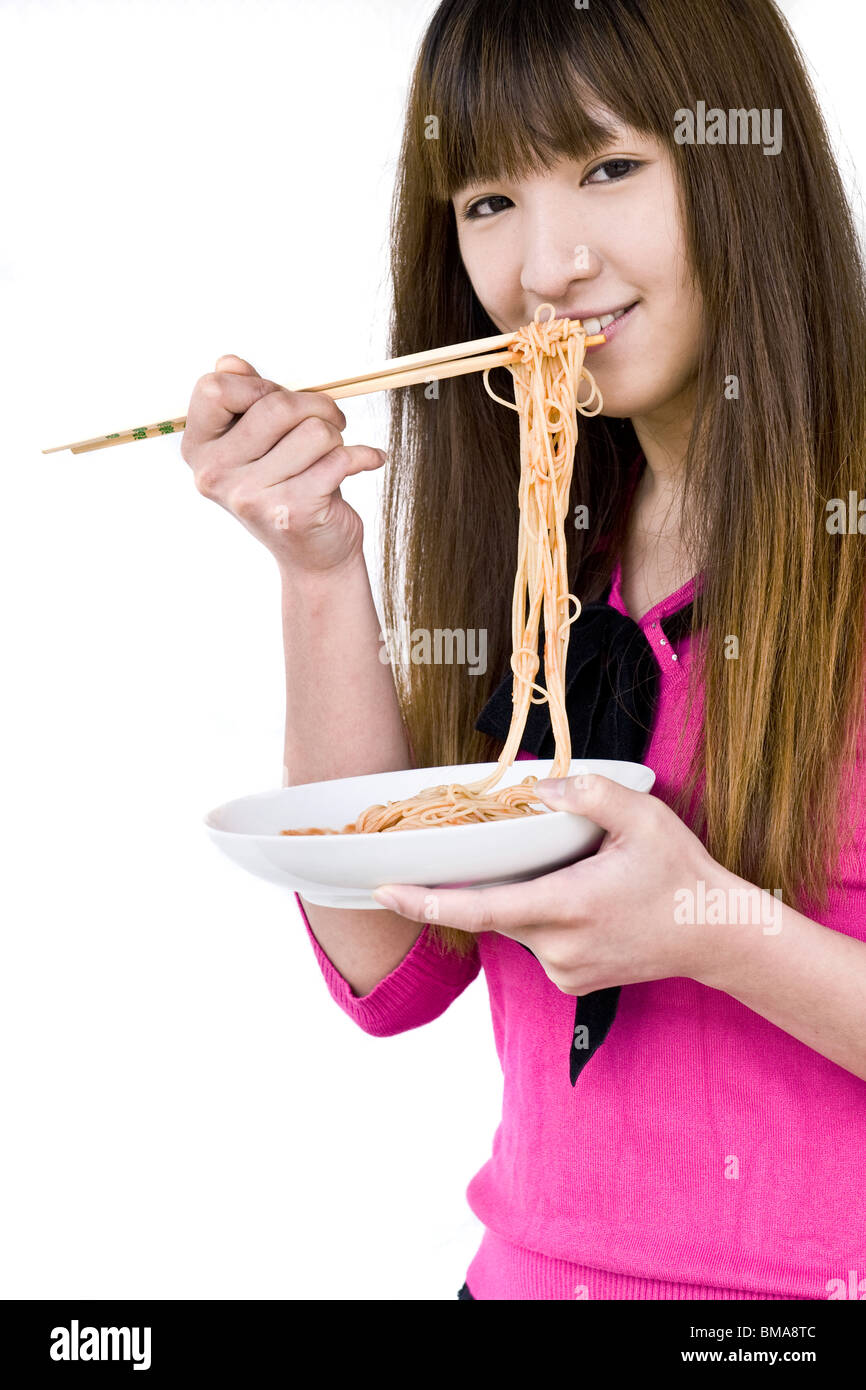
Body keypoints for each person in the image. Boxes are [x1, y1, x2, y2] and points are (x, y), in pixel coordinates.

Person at [180, 0, 866, 1300]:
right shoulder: (558, 543)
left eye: (607, 168)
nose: (544, 266)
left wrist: (709, 927)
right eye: (488, 199)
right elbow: (393, 967)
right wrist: (320, 565)